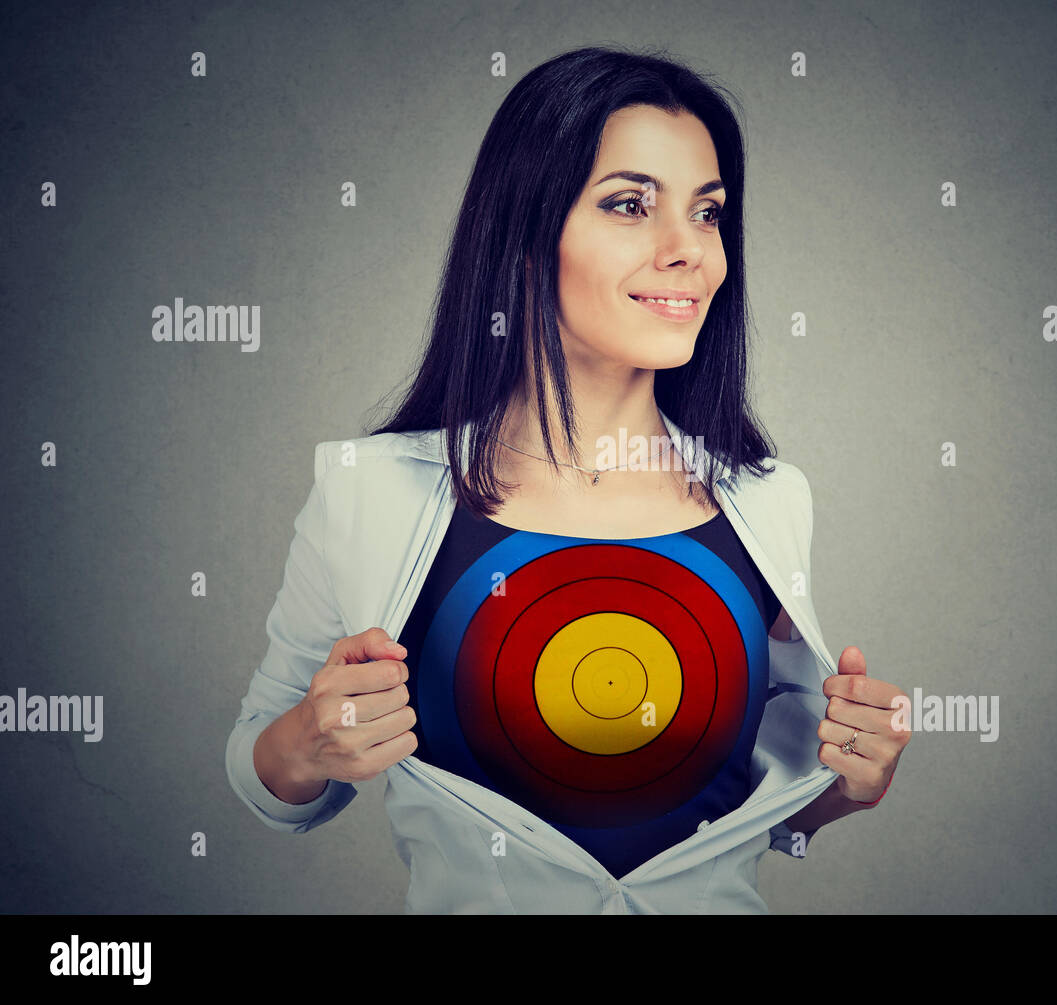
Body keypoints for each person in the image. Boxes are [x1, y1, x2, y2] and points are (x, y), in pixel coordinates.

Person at [226, 44, 909, 913]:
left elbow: (763, 816)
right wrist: (308, 744)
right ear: (524, 236)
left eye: (707, 213)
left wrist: (851, 783)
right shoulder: (372, 493)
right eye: (630, 205)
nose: (688, 251)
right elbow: (264, 778)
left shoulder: (768, 502)